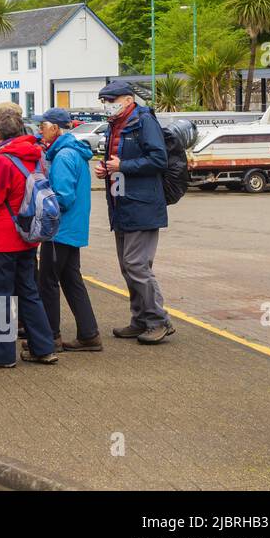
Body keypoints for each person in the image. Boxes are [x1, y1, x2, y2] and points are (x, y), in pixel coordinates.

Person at [0, 106, 59, 367]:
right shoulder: (36, 157)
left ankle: (1, 354)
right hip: (28, 234)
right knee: (29, 291)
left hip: (2, 238)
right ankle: (43, 347)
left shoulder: (4, 161)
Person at [95, 80, 174, 345]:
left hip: (142, 205)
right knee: (127, 267)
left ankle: (158, 320)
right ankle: (140, 319)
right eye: (104, 101)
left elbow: (158, 159)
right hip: (121, 204)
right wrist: (107, 169)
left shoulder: (143, 121)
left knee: (137, 265)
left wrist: (123, 166)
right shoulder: (115, 125)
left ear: (128, 100)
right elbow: (119, 163)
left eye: (111, 100)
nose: (107, 105)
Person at [31, 108, 101, 353]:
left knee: (47, 282)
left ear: (56, 128)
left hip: (58, 230)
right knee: (71, 280)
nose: (40, 129)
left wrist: (38, 205)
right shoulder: (75, 152)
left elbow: (63, 198)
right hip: (73, 229)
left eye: (44, 125)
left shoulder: (62, 156)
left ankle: (51, 337)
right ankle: (89, 334)